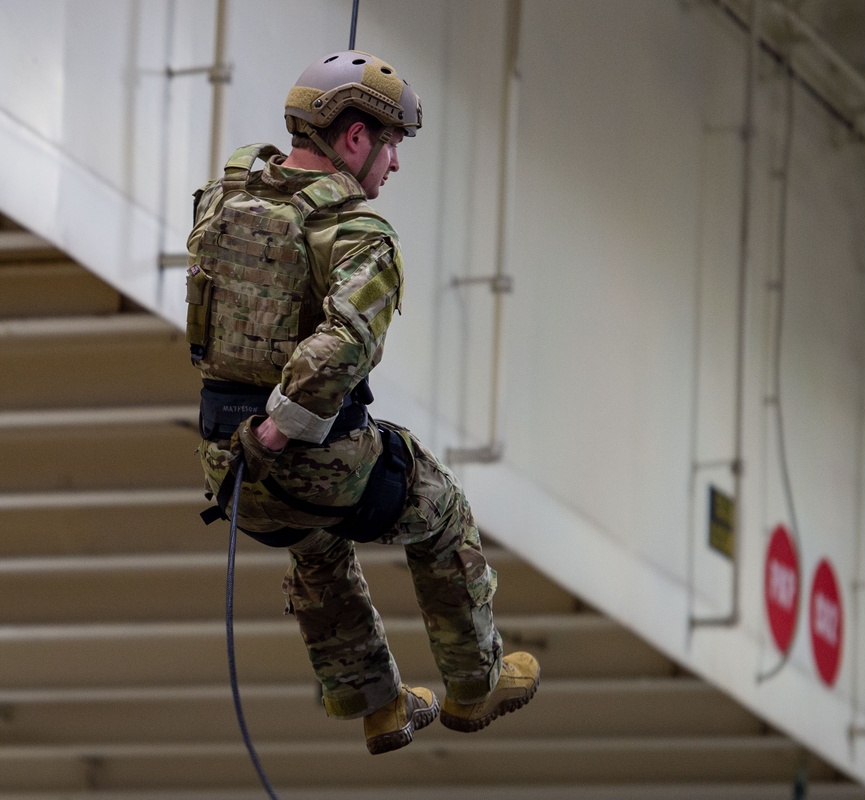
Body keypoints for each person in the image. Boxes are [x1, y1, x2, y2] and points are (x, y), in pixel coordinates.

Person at [184, 50, 539, 755]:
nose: (394, 166)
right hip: (299, 456)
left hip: (225, 467)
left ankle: (377, 703)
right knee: (438, 508)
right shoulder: (357, 234)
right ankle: (476, 685)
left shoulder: (221, 199)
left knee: (315, 546)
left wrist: (253, 441)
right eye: (392, 145)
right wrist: (279, 432)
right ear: (354, 139)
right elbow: (343, 345)